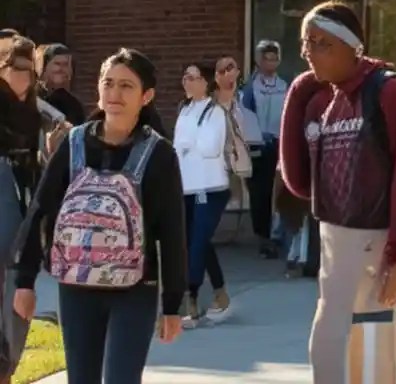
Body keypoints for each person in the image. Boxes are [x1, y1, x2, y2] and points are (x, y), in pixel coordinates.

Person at [11, 49, 187, 384]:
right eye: (108, 83)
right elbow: (40, 210)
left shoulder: (159, 154)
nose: (115, 94)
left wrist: (173, 303)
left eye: (126, 86)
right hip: (77, 285)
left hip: (135, 288)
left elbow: (173, 231)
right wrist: (25, 280)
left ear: (146, 96)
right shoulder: (74, 143)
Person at [280, 1, 396, 383]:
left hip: (379, 244)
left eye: (321, 43)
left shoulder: (387, 92)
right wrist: (297, 97)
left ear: (353, 47)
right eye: (305, 43)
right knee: (329, 356)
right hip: (333, 244)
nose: (309, 53)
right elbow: (299, 183)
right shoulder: (321, 99)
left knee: (373, 357)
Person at [173, 62, 234, 328]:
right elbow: (177, 146)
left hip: (210, 188)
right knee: (198, 241)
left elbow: (210, 147)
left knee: (197, 243)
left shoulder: (216, 112)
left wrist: (190, 143)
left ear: (206, 82)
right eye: (185, 77)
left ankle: (191, 299)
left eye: (193, 78)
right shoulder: (184, 109)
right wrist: (188, 144)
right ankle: (220, 293)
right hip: (186, 186)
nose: (187, 82)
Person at [0, 36, 43, 372]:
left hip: (25, 194)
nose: (20, 74)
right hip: (6, 189)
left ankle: (8, 365)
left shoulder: (37, 107)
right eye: (15, 66)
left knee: (19, 282)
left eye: (27, 68)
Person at [241, 39, 293, 259]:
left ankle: (281, 232)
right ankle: (262, 235)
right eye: (266, 58)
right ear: (258, 60)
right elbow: (243, 116)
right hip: (257, 145)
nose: (271, 63)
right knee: (259, 192)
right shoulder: (250, 88)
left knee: (283, 190)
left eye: (274, 58)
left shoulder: (284, 86)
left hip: (280, 143)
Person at [35, 43, 86, 126]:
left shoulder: (74, 105)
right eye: (57, 64)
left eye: (65, 64)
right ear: (45, 67)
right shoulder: (33, 98)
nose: (61, 69)